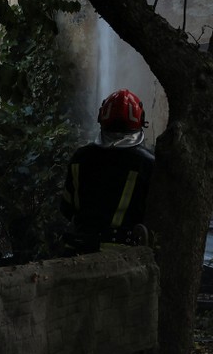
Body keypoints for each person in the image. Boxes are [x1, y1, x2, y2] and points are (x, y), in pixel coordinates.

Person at [61, 89, 155, 252]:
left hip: (78, 249)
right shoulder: (148, 164)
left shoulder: (80, 157)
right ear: (141, 120)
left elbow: (67, 209)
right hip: (121, 255)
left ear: (101, 118)